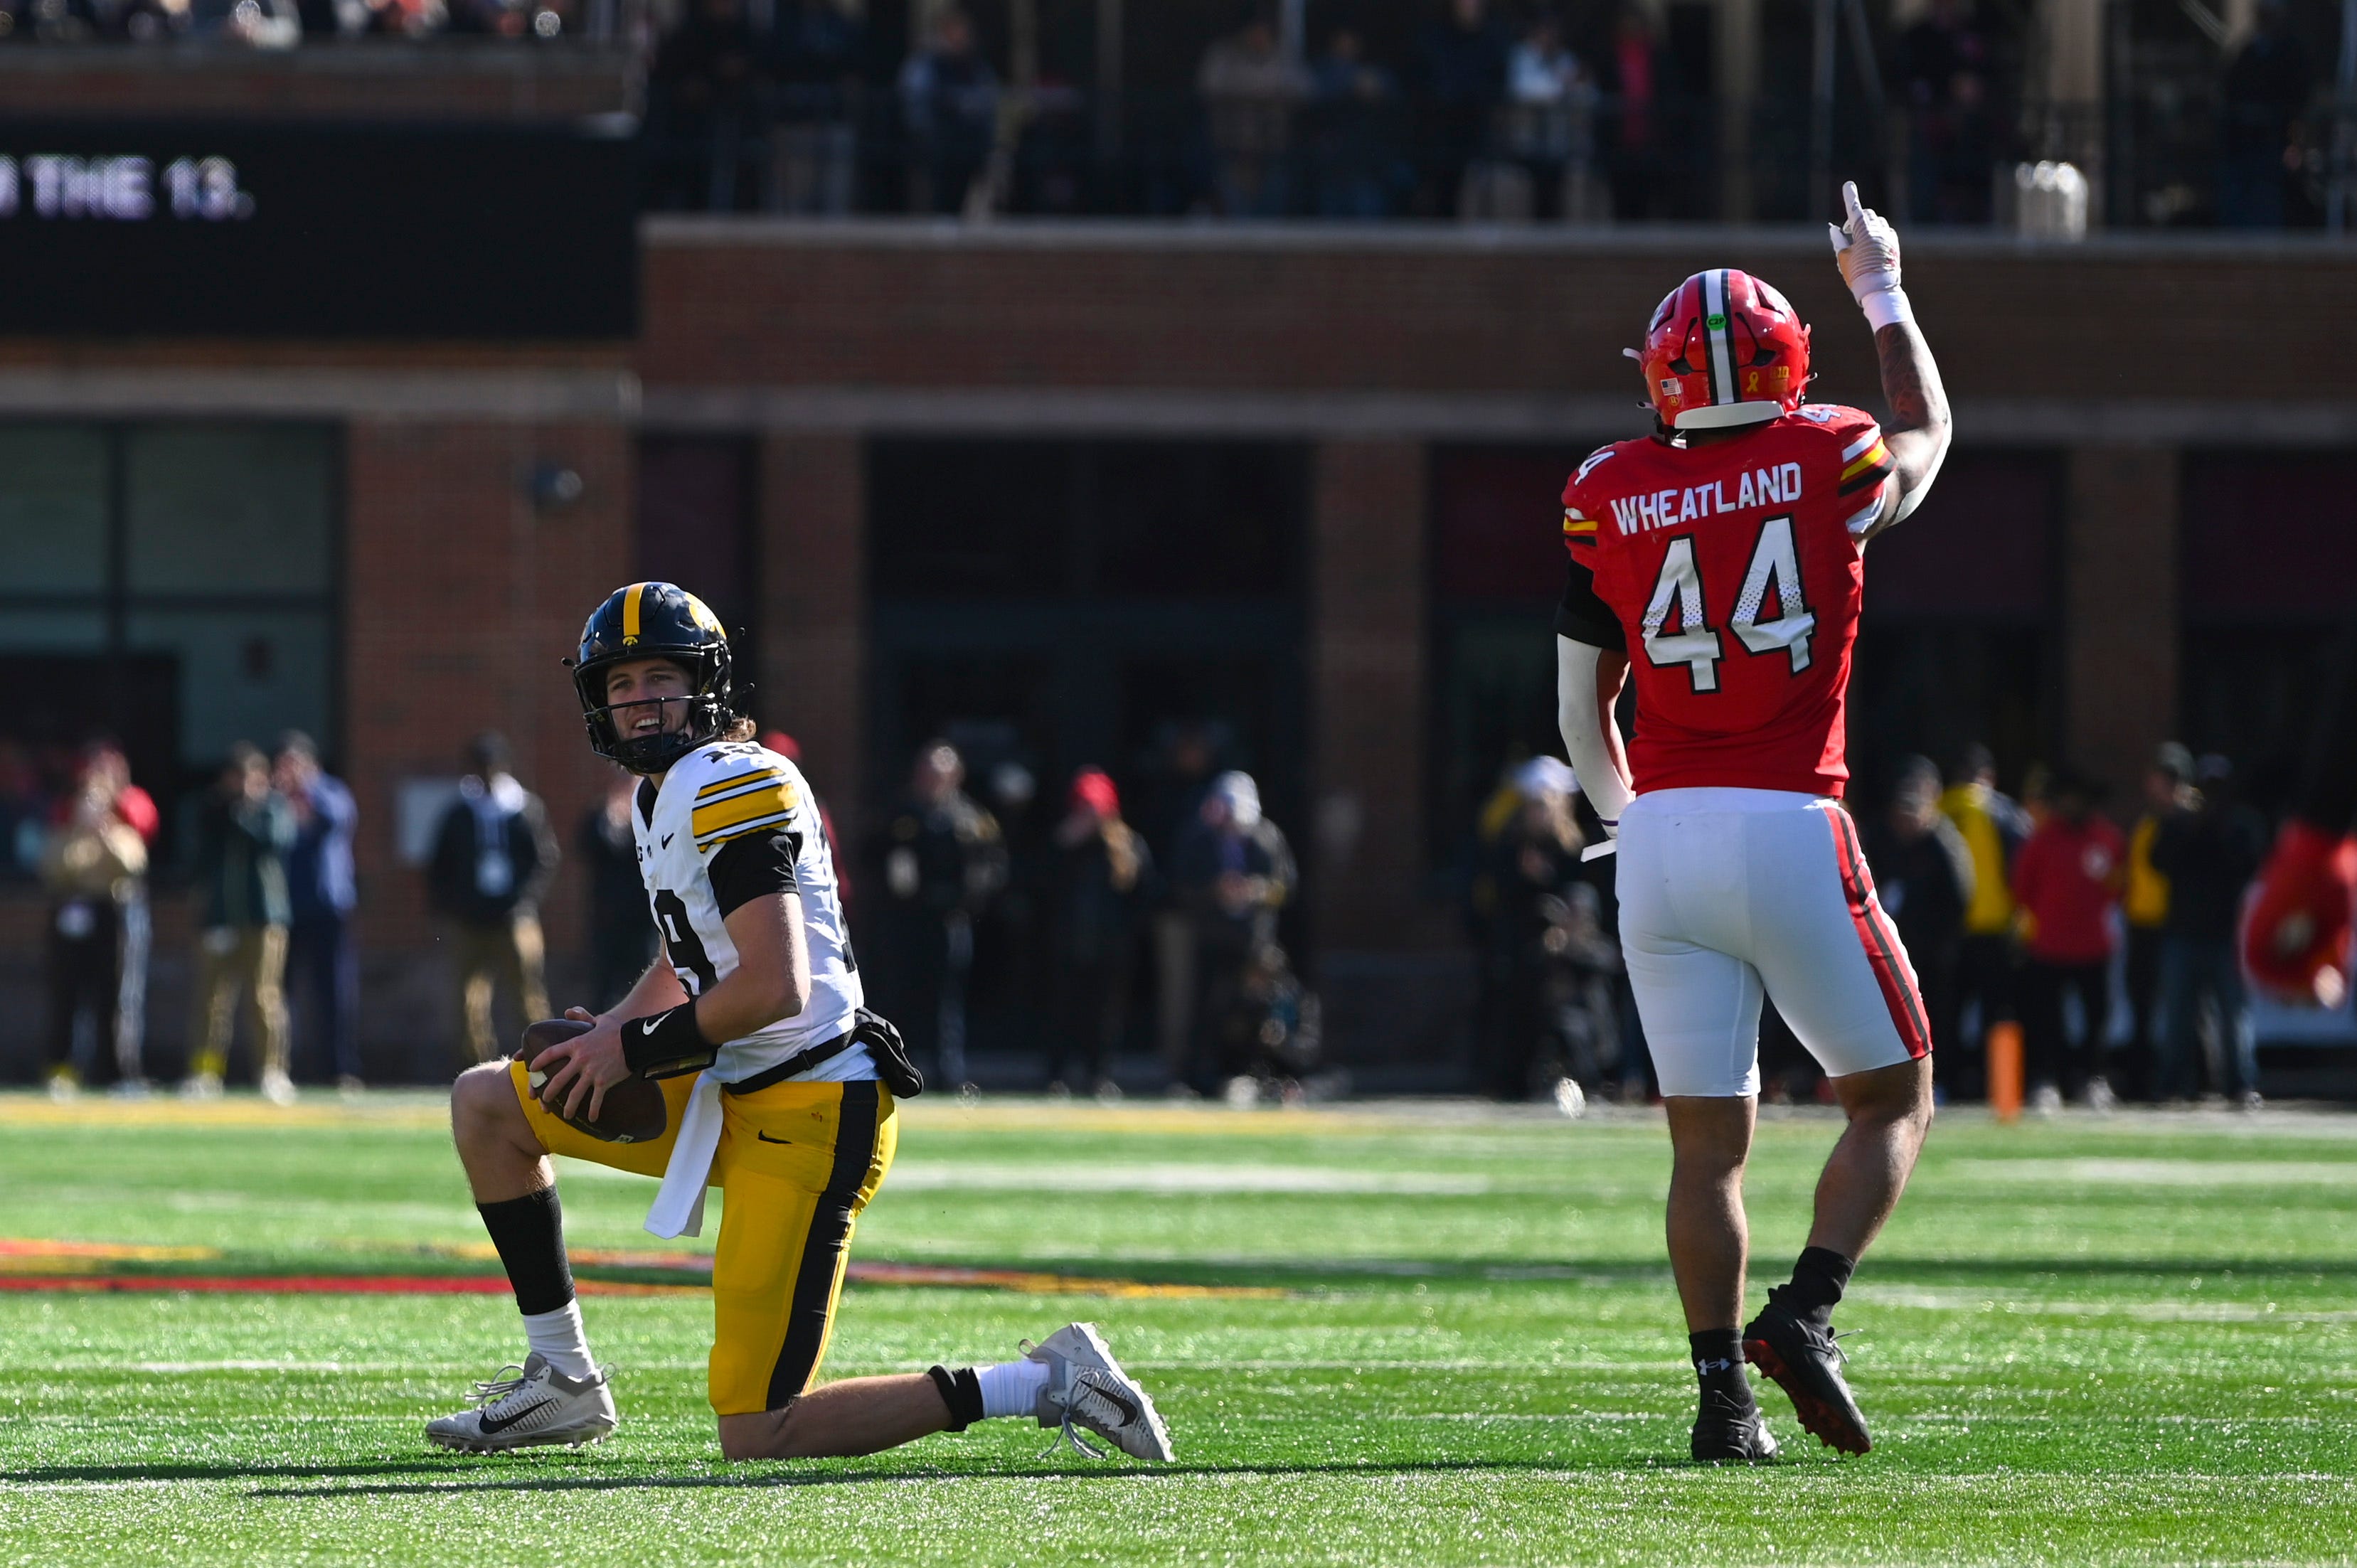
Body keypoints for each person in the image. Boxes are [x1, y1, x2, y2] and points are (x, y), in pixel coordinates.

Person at [427, 582, 1172, 1463]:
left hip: (810, 1112)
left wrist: (627, 1048)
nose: (640, 701)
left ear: (705, 685)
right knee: (488, 1104)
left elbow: (776, 986)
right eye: (620, 685)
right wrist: (617, 1027)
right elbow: (692, 946)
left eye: (660, 678)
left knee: (760, 1430)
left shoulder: (729, 781)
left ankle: (1043, 1381)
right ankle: (562, 1377)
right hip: (733, 1082)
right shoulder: (661, 793)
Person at [1550, 184, 1952, 1461]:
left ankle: (1720, 1400)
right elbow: (1926, 427)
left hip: (1660, 840)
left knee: (1704, 1147)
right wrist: (1879, 287)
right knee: (1890, 1097)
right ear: (1791, 366)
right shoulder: (1828, 453)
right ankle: (1806, 1310)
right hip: (1787, 817)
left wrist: (1627, 826)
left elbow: (1578, 715)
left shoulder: (1607, 487)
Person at [869, 740, 1007, 1090]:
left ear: (956, 776)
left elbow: (994, 865)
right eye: (927, 773)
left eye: (940, 774)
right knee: (901, 992)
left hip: (951, 919)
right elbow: (873, 854)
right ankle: (899, 1067)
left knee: (947, 998)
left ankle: (949, 1072)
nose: (933, 781)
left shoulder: (973, 819)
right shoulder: (901, 814)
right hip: (907, 918)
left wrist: (973, 896)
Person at [427, 732, 560, 1071]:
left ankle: (542, 1065)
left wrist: (524, 900)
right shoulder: (460, 812)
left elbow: (544, 859)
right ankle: (477, 1068)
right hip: (469, 919)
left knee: (528, 994)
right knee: (468, 1000)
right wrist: (452, 905)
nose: (486, 775)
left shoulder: (524, 807)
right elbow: (440, 864)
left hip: (514, 917)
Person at [1171, 770, 1297, 1097]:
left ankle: (1246, 1073)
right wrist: (1214, 891)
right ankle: (1197, 1077)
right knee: (1205, 1009)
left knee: (1250, 1009)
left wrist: (1256, 891)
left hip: (1253, 942)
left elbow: (1285, 887)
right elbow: (1182, 886)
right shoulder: (1201, 839)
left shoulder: (1267, 838)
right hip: (1211, 937)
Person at [2151, 754, 2267, 1105]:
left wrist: (2220, 831)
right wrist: (2192, 827)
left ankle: (2239, 1084)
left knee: (2233, 1015)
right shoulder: (2178, 823)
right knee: (2178, 1017)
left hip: (2225, 937)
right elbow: (2158, 862)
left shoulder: (2242, 826)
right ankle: (2175, 1084)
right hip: (2182, 934)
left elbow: (2252, 866)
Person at [186, 744, 297, 1104]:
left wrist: (244, 812)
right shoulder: (213, 812)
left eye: (251, 778)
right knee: (213, 1000)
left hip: (264, 919)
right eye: (237, 778)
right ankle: (206, 1072)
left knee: (264, 997)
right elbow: (199, 859)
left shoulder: (273, 809)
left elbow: (273, 841)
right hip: (220, 919)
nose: (243, 786)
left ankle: (271, 1072)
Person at [2010, 769, 2124, 1111]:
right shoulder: (2042, 840)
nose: (2072, 804)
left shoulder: (2107, 838)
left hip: (2094, 946)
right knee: (2047, 1021)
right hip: (2050, 946)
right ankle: (2048, 1081)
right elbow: (2022, 888)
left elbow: (2119, 887)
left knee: (2097, 1019)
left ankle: (2094, 1080)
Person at [1861, 758, 1973, 1097]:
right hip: (1889, 950)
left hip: (1931, 952)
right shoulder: (1881, 840)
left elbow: (1960, 896)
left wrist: (1943, 941)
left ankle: (1939, 1083)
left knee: (1936, 1016)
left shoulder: (1942, 845)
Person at [39, 762, 148, 1101]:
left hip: (110, 917)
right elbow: (53, 871)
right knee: (67, 995)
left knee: (114, 998)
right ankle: (62, 1071)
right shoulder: (64, 836)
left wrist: (105, 836)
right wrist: (77, 838)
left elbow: (132, 867)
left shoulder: (122, 835)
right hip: (71, 916)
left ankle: (116, 1073)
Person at [1045, 768, 1155, 1099]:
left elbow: (1145, 894)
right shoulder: (1063, 842)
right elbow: (1041, 888)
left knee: (1106, 1016)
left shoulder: (1128, 846)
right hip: (1069, 943)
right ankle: (1058, 1075)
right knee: (1064, 1011)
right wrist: (1062, 847)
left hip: (1111, 946)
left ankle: (1100, 1076)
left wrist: (1126, 932)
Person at [1938, 743, 2028, 1095]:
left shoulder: (1938, 808)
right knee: (1997, 1013)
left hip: (1951, 931)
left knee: (1947, 1012)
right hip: (1994, 927)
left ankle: (1944, 1083)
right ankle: (1999, 1087)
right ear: (1988, 776)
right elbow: (2023, 864)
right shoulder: (2001, 810)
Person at [276, 732, 363, 1094]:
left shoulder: (330, 791)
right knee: (279, 994)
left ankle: (339, 1069)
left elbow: (334, 820)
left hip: (327, 907)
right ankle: (280, 1068)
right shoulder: (276, 798)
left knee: (333, 992)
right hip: (285, 908)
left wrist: (306, 790)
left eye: (295, 765)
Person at [2122, 744, 2194, 1102]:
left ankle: (2186, 1079)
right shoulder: (2149, 821)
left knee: (2182, 1008)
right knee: (2143, 1006)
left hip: (2172, 927)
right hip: (2142, 926)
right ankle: (2142, 1079)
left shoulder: (2188, 823)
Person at [1198, 8, 1309, 218]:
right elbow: (1209, 85)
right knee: (1234, 198)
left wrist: (1275, 94)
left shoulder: (1282, 57)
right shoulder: (1225, 55)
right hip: (1233, 141)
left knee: (1273, 198)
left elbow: (1306, 88)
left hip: (1273, 144)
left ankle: (1270, 233)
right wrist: (1250, 91)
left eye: (1264, 32)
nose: (1259, 37)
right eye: (1255, 32)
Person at [898, 6, 997, 215]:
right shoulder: (927, 64)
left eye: (963, 32)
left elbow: (987, 101)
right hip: (938, 145)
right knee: (938, 199)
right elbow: (915, 102)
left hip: (969, 145)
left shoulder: (975, 66)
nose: (960, 38)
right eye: (954, 32)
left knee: (965, 198)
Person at [580, 771, 659, 1013]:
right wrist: (611, 817)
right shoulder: (601, 816)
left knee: (641, 980)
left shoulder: (651, 815)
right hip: (608, 917)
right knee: (603, 987)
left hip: (642, 918)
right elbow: (587, 847)